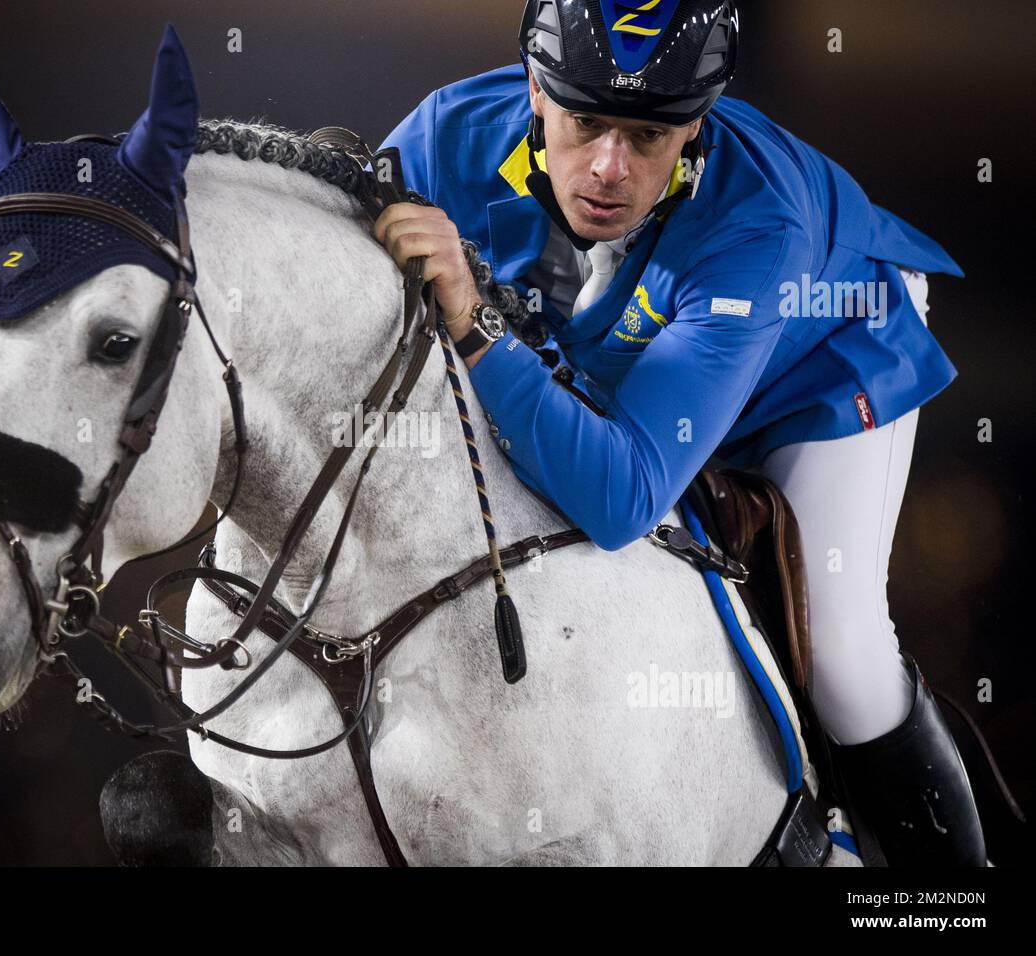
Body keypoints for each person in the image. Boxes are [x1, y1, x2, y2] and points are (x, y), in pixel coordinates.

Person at [372, 0, 985, 866]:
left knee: (846, 662)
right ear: (536, 93)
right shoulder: (442, 138)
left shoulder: (754, 222)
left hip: (825, 357)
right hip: (631, 350)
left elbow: (618, 500)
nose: (610, 168)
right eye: (585, 122)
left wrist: (476, 328)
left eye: (651, 135)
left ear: (696, 125)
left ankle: (951, 901)